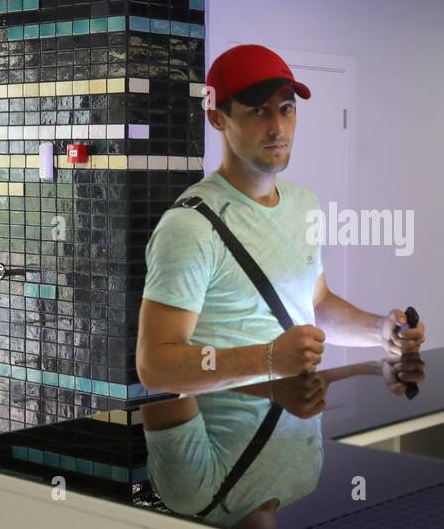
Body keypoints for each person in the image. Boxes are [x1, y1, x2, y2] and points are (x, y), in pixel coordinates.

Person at [136, 44, 425, 394]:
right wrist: (268, 359)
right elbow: (156, 365)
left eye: (286, 109)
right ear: (217, 117)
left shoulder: (303, 205)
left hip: (295, 435)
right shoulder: (190, 226)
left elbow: (315, 304)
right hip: (225, 442)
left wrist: (379, 330)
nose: (277, 128)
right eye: (258, 111)